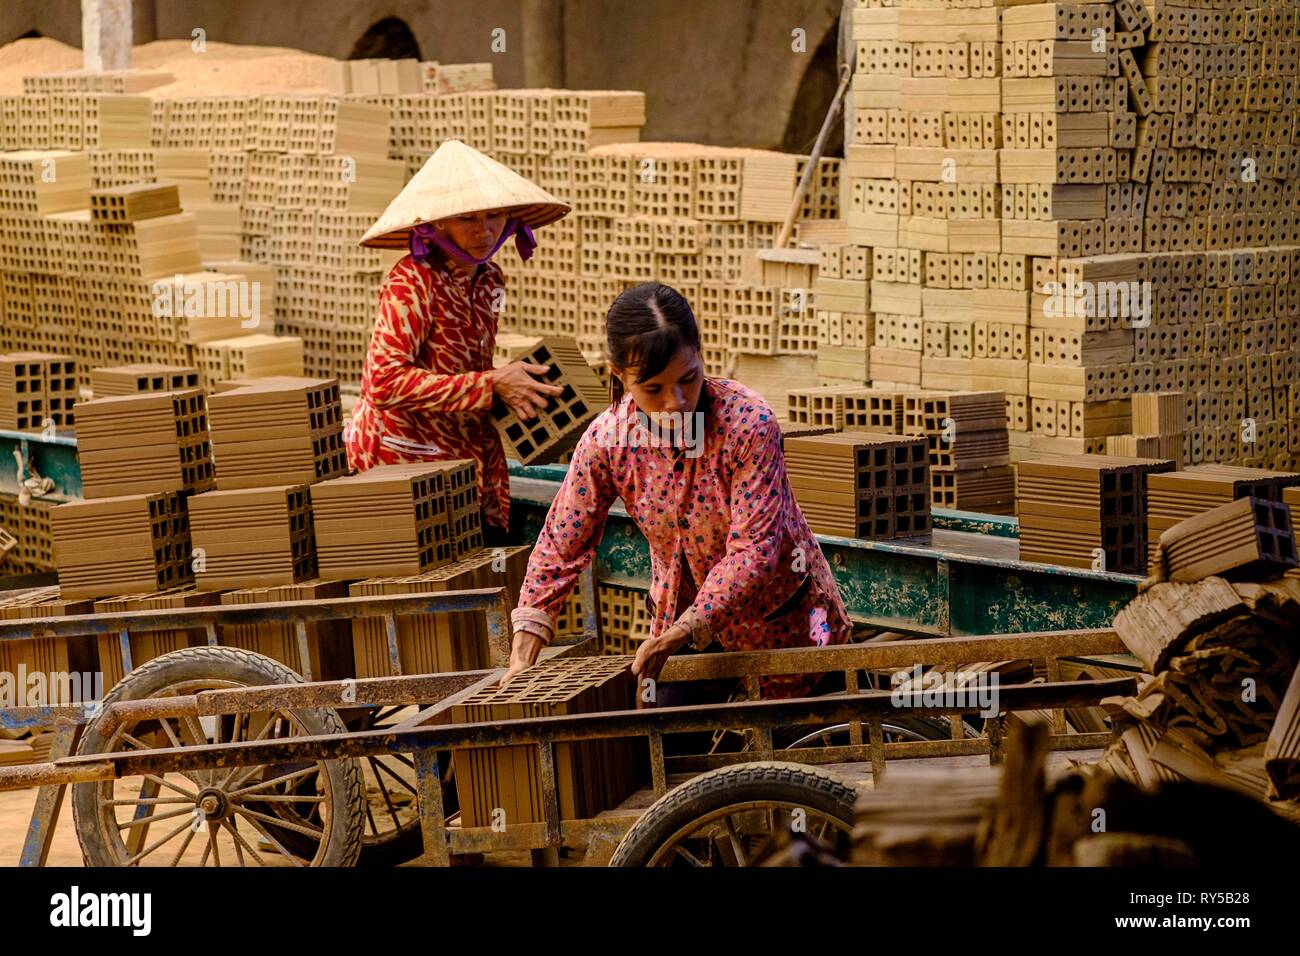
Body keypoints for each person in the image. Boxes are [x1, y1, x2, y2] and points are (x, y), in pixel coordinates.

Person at [503, 282, 852, 700]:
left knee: (793, 749)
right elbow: (561, 544)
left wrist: (688, 627)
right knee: (664, 746)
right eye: (653, 389)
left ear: (701, 354)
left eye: (689, 378)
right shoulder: (609, 440)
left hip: (786, 621)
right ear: (619, 375)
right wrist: (525, 649)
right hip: (676, 626)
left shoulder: (748, 424)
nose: (677, 401)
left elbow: (754, 550)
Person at [346, 139, 569, 544]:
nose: (484, 229)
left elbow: (467, 369)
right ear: (438, 224)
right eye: (467, 218)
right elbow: (383, 383)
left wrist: (515, 389)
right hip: (406, 462)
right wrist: (491, 384)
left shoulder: (490, 279)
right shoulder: (411, 281)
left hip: (468, 458)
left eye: (495, 215)